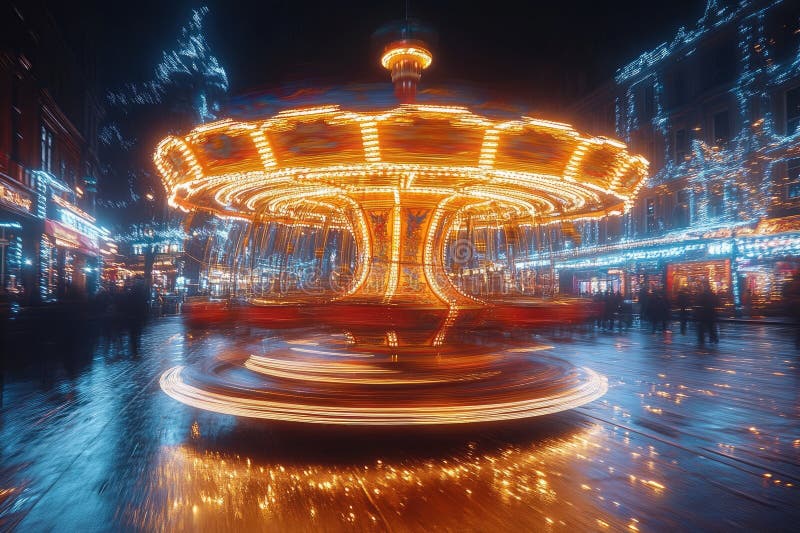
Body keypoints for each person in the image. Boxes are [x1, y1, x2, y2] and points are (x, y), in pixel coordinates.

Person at [782, 272, 800, 348]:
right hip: (796, 305)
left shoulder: (789, 284)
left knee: (797, 323)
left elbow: (784, 293)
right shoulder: (796, 284)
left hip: (791, 306)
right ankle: (798, 341)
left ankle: (797, 341)